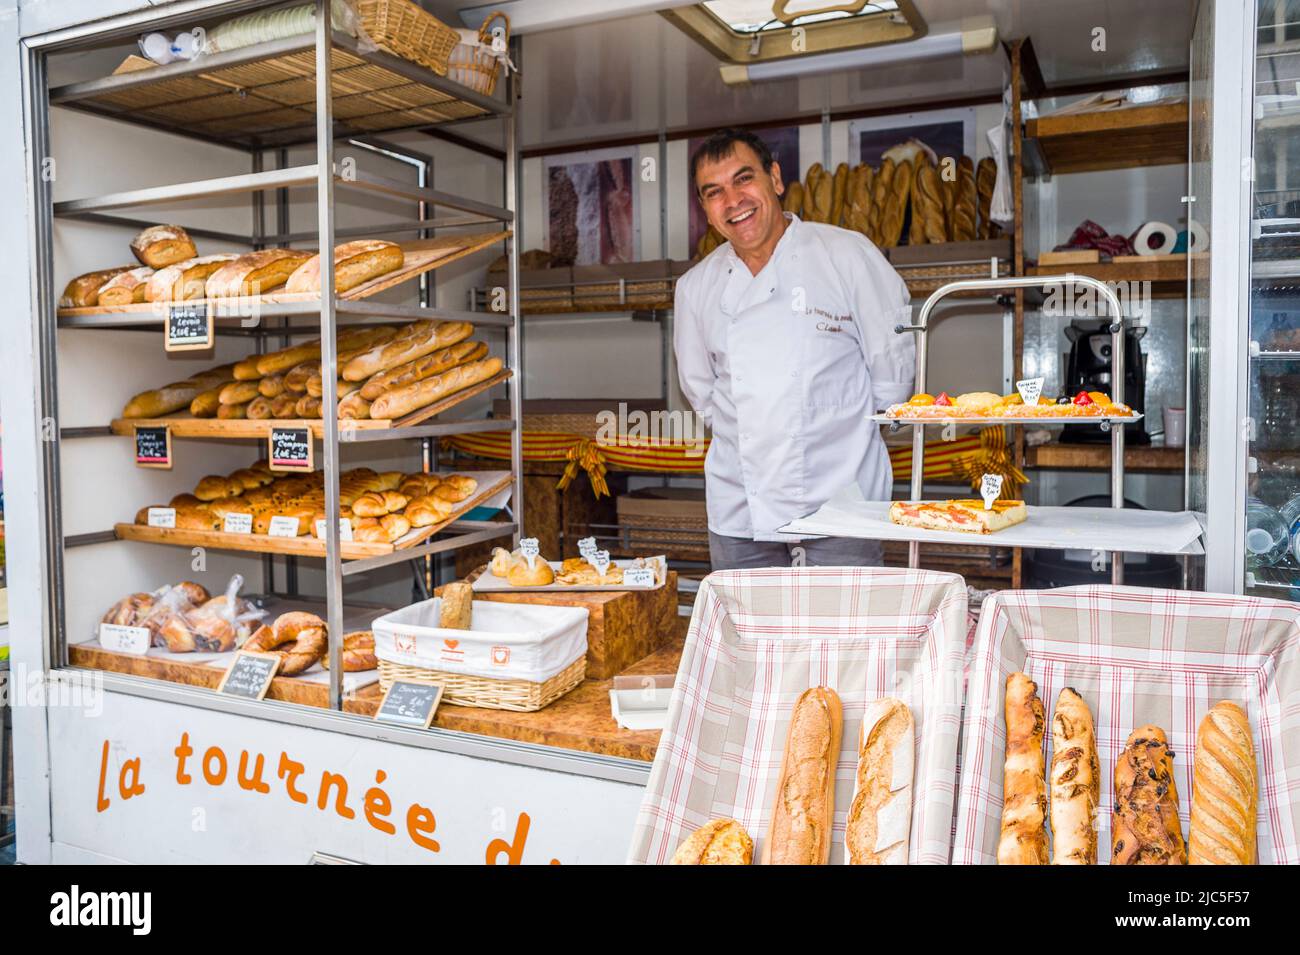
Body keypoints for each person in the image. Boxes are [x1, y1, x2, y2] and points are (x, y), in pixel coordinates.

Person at [674, 128, 915, 570]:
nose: (733, 200)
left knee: (846, 636)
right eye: (714, 192)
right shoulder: (695, 289)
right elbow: (703, 396)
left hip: (843, 504)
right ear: (706, 210)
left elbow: (892, 378)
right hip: (740, 515)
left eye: (744, 179)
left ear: (776, 179)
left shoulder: (847, 256)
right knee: (751, 637)